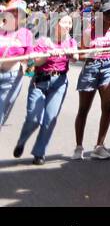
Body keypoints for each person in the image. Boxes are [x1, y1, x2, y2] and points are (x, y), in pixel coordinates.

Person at [13, 13, 78, 164]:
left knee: (50, 119)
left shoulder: (71, 41)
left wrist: (70, 54)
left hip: (59, 82)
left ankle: (39, 152)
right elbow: (35, 62)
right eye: (65, 23)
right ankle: (22, 141)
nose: (68, 26)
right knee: (33, 119)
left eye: (70, 23)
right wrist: (47, 55)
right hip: (40, 81)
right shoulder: (43, 40)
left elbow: (76, 56)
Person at [73, 3, 110, 161]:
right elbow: (81, 55)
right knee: (83, 109)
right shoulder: (90, 31)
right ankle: (78, 146)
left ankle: (99, 146)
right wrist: (91, 53)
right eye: (108, 13)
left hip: (109, 66)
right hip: (91, 67)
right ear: (101, 14)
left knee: (108, 106)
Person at [0, 0, 34, 130]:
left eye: (19, 12)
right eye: (12, 11)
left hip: (12, 78)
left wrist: (31, 75)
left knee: (2, 111)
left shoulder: (26, 34)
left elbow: (30, 56)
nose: (15, 15)